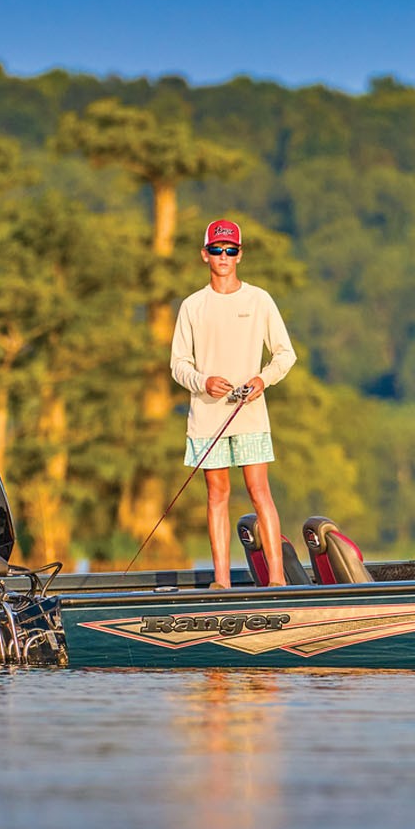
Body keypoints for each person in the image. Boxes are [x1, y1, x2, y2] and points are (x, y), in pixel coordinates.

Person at [170, 218, 297, 588]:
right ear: (204, 254)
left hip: (251, 414)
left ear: (240, 255)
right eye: (216, 250)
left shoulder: (259, 300)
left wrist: (262, 379)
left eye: (230, 250)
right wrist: (202, 382)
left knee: (260, 492)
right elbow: (178, 364)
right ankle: (222, 582)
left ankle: (277, 580)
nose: (223, 256)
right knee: (217, 494)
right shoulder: (192, 306)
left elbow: (285, 354)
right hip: (207, 418)